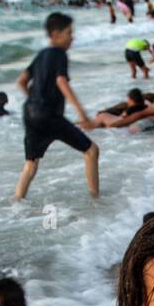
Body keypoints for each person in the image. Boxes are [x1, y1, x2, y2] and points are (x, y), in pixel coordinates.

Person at [15, 12, 99, 201]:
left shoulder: (41, 54)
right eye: (69, 32)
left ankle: (16, 203)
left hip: (29, 113)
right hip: (48, 115)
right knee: (92, 151)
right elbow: (61, 81)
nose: (72, 37)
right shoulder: (59, 54)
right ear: (55, 34)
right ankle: (95, 199)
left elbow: (21, 81)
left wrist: (34, 100)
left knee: (30, 165)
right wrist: (82, 112)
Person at [88, 78, 154, 130]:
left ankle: (85, 128)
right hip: (151, 127)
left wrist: (117, 124)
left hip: (144, 125)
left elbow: (140, 114)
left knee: (103, 116)